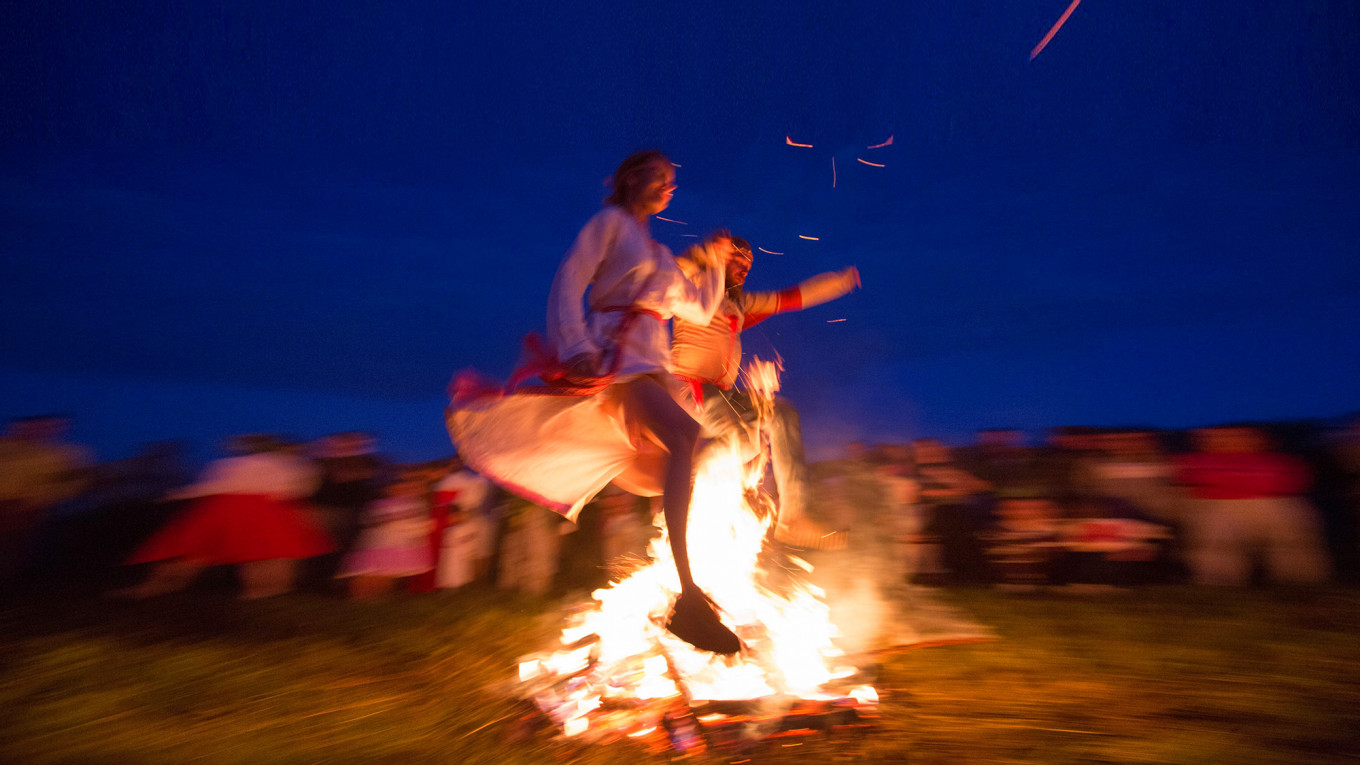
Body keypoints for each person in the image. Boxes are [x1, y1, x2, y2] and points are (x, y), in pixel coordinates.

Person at [447, 150, 739, 652]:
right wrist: (576, 345)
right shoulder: (609, 223)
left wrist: (714, 264)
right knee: (685, 436)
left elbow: (697, 305)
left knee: (699, 454)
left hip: (654, 366)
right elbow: (569, 280)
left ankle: (684, 587)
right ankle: (687, 593)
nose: (668, 186)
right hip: (619, 362)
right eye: (657, 176)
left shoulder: (664, 256)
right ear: (629, 179)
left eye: (672, 181)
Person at [671, 235, 859, 539]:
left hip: (723, 396)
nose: (745, 269)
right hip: (686, 391)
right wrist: (709, 252)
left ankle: (792, 519)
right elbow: (675, 266)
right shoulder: (692, 286)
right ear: (721, 259)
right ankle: (684, 492)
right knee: (742, 440)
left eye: (749, 265)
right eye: (738, 261)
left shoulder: (740, 304)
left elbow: (793, 298)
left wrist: (840, 282)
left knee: (780, 414)